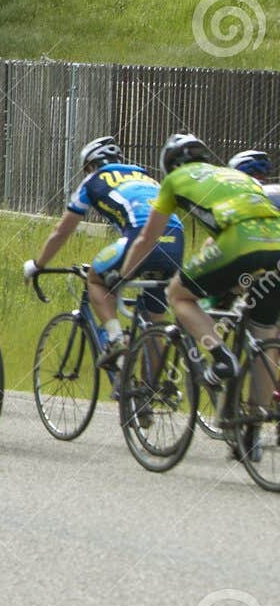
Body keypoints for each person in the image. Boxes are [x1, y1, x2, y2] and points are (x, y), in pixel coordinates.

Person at [117, 135, 280, 406]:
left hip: (241, 243)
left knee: (178, 294)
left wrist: (122, 275)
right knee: (263, 335)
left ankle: (222, 357)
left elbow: (147, 238)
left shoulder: (173, 181)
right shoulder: (234, 176)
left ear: (170, 165)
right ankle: (254, 422)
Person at [24, 136, 183, 370]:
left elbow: (62, 231)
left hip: (141, 238)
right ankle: (153, 387)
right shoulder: (145, 177)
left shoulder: (93, 180)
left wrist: (39, 264)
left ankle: (116, 339)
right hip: (175, 241)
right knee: (152, 324)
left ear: (90, 165)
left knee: (96, 279)